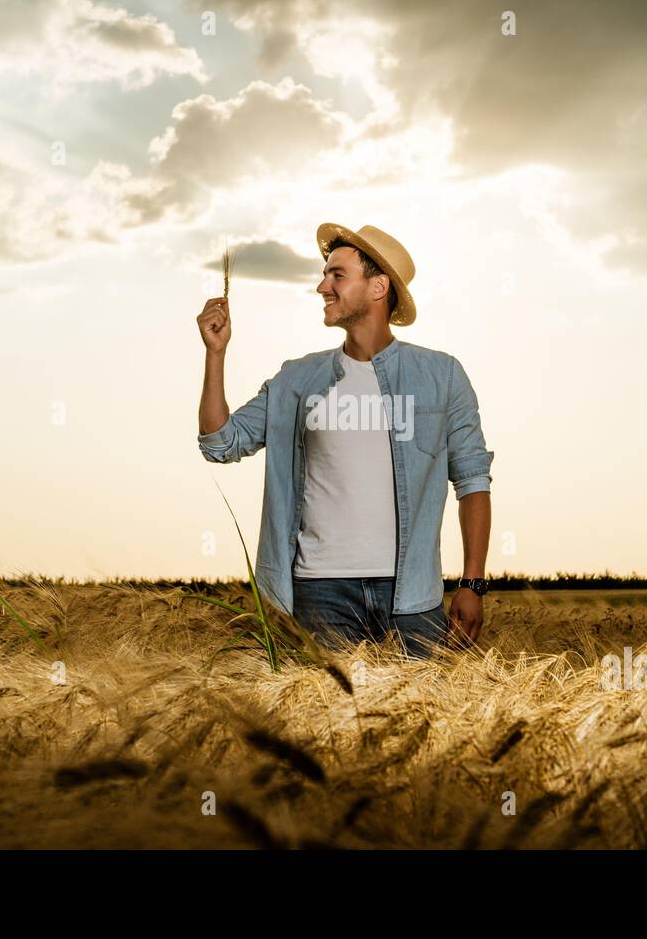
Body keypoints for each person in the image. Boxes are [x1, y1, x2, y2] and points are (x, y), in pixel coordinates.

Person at [196, 223, 494, 659]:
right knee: (321, 724)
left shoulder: (442, 376)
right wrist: (215, 354)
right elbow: (220, 443)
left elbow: (472, 481)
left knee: (420, 723)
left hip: (412, 600)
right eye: (324, 274)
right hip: (319, 597)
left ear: (378, 286)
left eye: (337, 275)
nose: (322, 286)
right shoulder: (297, 379)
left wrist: (472, 582)